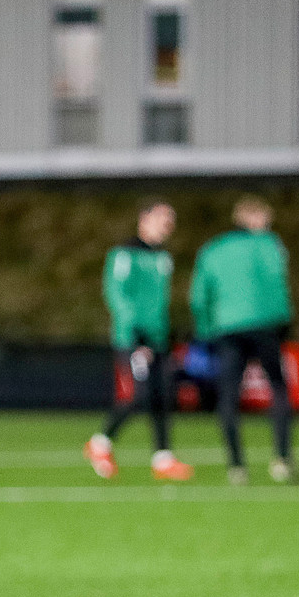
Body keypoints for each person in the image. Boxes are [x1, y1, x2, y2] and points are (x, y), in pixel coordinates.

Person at [84, 200, 193, 481]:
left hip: (158, 339)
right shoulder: (124, 254)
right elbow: (117, 295)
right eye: (162, 218)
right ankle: (99, 443)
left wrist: (167, 333)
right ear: (144, 219)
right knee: (139, 395)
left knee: (163, 395)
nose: (168, 225)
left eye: (171, 220)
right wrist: (137, 335)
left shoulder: (163, 258)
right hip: (133, 338)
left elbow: (159, 303)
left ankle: (163, 458)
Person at [190, 195, 296, 485]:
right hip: (264, 325)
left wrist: (206, 331)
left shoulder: (213, 249)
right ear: (252, 217)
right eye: (264, 218)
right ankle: (282, 460)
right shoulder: (269, 245)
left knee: (228, 395)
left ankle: (236, 465)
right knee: (278, 387)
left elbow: (199, 296)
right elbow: (278, 284)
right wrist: (284, 321)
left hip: (226, 329)